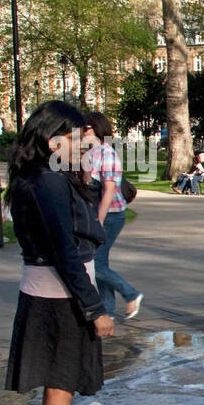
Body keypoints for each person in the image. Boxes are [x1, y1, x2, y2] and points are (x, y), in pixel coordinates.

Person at [4, 100, 115, 405]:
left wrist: (81, 173)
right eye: (76, 138)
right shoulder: (48, 182)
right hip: (58, 299)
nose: (84, 144)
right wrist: (95, 308)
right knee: (59, 389)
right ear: (54, 143)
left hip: (48, 293)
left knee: (59, 388)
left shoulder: (40, 177)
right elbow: (65, 251)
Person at [82, 112, 144, 320]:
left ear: (97, 129)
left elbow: (108, 190)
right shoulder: (91, 153)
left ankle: (131, 294)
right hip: (100, 214)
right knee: (100, 262)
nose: (82, 131)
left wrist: (99, 219)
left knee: (95, 264)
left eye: (86, 127)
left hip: (110, 215)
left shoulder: (106, 154)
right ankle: (107, 310)